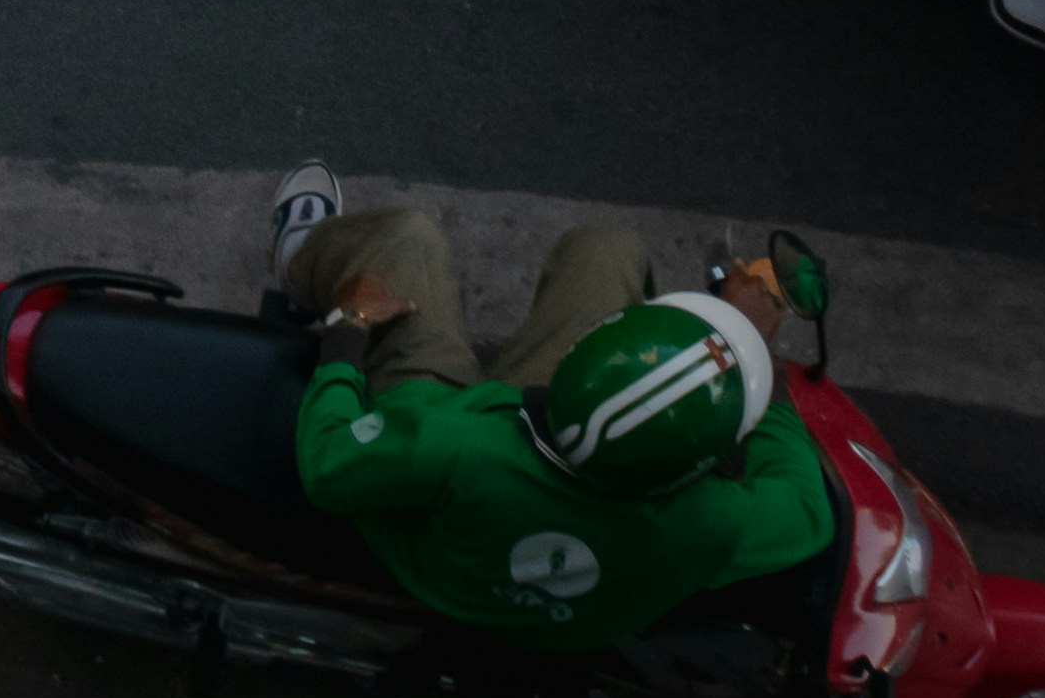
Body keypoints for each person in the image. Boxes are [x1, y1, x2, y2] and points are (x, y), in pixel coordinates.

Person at [263, 167, 837, 659]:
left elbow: (328, 463)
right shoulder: (712, 518)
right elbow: (809, 510)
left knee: (407, 239)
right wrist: (757, 361)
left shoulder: (460, 443)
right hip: (570, 630)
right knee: (609, 249)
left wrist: (348, 331)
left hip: (439, 564)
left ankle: (302, 264)